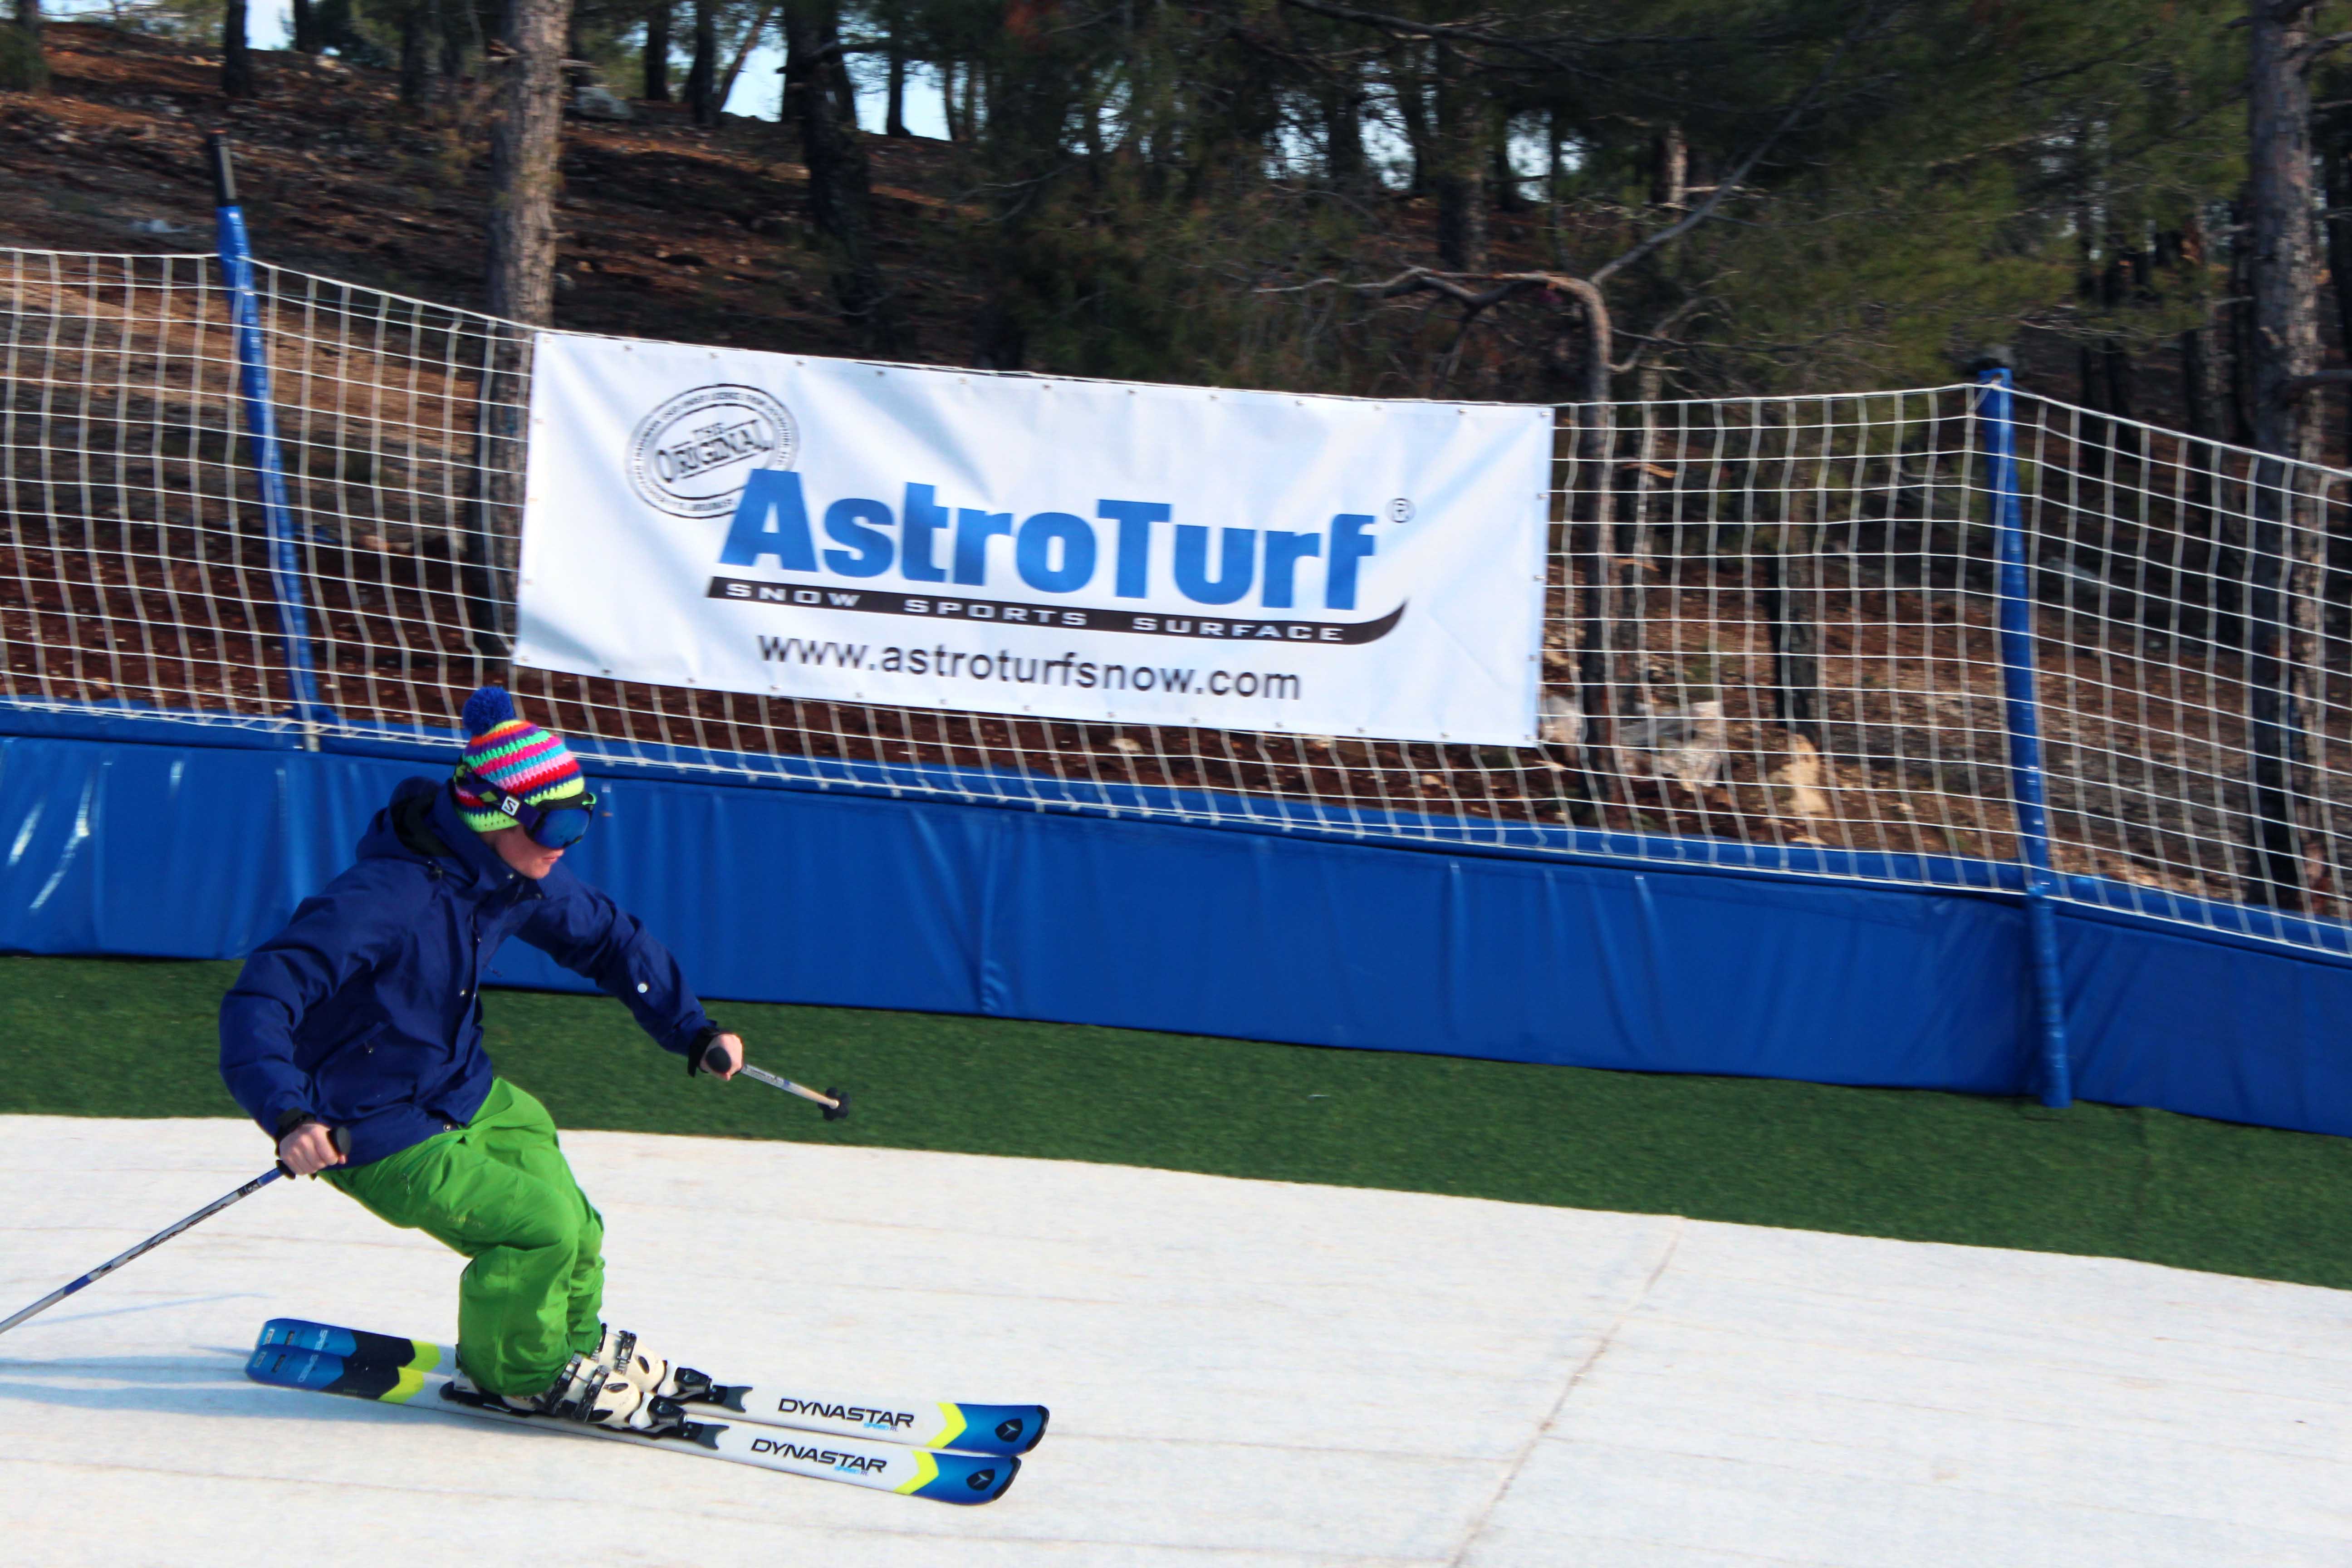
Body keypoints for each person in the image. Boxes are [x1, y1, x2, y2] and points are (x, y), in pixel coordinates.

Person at [219, 685, 740, 1431]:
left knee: (577, 1221)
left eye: (582, 817)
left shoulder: (508, 875)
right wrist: (289, 1114)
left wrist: (691, 1029)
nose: (569, 839)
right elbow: (260, 998)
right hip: (367, 1128)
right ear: (497, 814)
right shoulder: (385, 899)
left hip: (460, 1088)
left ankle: (571, 1343)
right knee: (537, 1229)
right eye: (558, 821)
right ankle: (518, 1376)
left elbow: (608, 940)